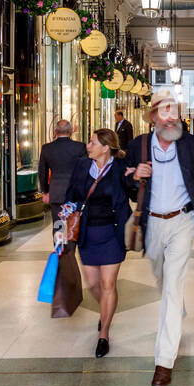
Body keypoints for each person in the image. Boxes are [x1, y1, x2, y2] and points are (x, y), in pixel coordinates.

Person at [124, 91, 194, 386]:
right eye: (165, 112)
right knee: (164, 282)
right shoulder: (138, 146)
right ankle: (173, 311)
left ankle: (164, 362)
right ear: (153, 116)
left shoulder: (192, 145)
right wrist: (134, 176)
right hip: (152, 225)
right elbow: (127, 187)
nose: (171, 117)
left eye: (175, 112)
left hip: (182, 220)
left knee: (171, 288)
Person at [61, 129, 131, 358]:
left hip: (112, 232)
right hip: (88, 233)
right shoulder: (82, 166)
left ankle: (104, 333)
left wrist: (138, 176)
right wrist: (65, 213)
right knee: (92, 284)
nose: (88, 146)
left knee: (108, 283)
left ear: (105, 147)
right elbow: (72, 194)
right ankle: (106, 309)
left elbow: (132, 191)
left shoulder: (120, 167)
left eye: (92, 143)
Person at [38, 119, 87, 210]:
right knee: (75, 223)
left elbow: (42, 172)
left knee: (58, 223)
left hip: (56, 192)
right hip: (76, 192)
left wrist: (46, 191)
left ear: (55, 132)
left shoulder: (46, 148)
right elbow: (85, 170)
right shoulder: (80, 147)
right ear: (71, 131)